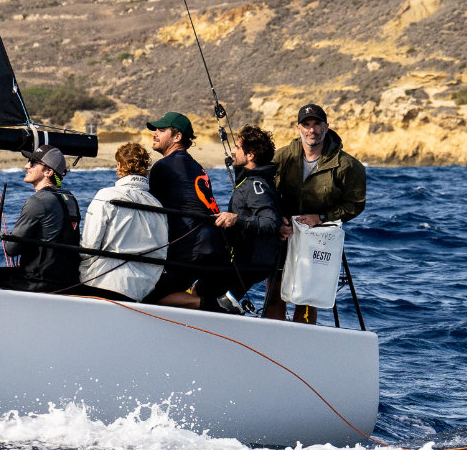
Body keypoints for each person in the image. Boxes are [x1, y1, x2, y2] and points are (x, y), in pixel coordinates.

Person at [272, 104, 366, 323]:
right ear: (298, 128)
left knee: (307, 297)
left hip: (318, 238)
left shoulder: (347, 165)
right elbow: (265, 190)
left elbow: (355, 204)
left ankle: (302, 339)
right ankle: (272, 338)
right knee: (275, 292)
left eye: (317, 124)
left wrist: (322, 217)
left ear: (326, 127)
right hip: (283, 234)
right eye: (306, 125)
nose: (311, 130)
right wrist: (276, 219)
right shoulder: (282, 157)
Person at [143, 110, 222, 308]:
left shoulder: (163, 166)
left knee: (147, 294)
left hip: (190, 247)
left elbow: (153, 215)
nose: (155, 133)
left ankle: (211, 306)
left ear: (177, 137)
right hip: (214, 245)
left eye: (161, 130)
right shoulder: (196, 165)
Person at [211, 126, 290, 317]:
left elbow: (270, 222)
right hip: (245, 261)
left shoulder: (255, 184)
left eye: (237, 148)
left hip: (250, 263)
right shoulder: (252, 181)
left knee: (205, 296)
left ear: (250, 155)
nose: (232, 151)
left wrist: (236, 219)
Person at [76, 141, 167, 301]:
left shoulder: (106, 195)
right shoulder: (157, 205)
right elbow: (161, 252)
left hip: (103, 282)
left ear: (119, 165)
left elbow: (89, 245)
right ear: (145, 168)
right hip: (142, 288)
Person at [5, 146, 82, 293]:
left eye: (33, 163)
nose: (26, 166)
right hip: (68, 280)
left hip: (40, 281)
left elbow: (11, 249)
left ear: (48, 172)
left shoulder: (37, 201)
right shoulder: (70, 198)